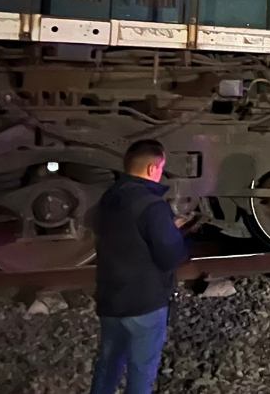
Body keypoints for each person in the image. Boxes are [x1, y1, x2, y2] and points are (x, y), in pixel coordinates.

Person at [90, 139, 189, 394]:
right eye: (161, 167)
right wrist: (173, 231)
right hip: (144, 304)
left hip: (111, 300)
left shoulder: (108, 198)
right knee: (141, 372)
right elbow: (170, 256)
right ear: (151, 169)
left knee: (108, 365)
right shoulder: (152, 206)